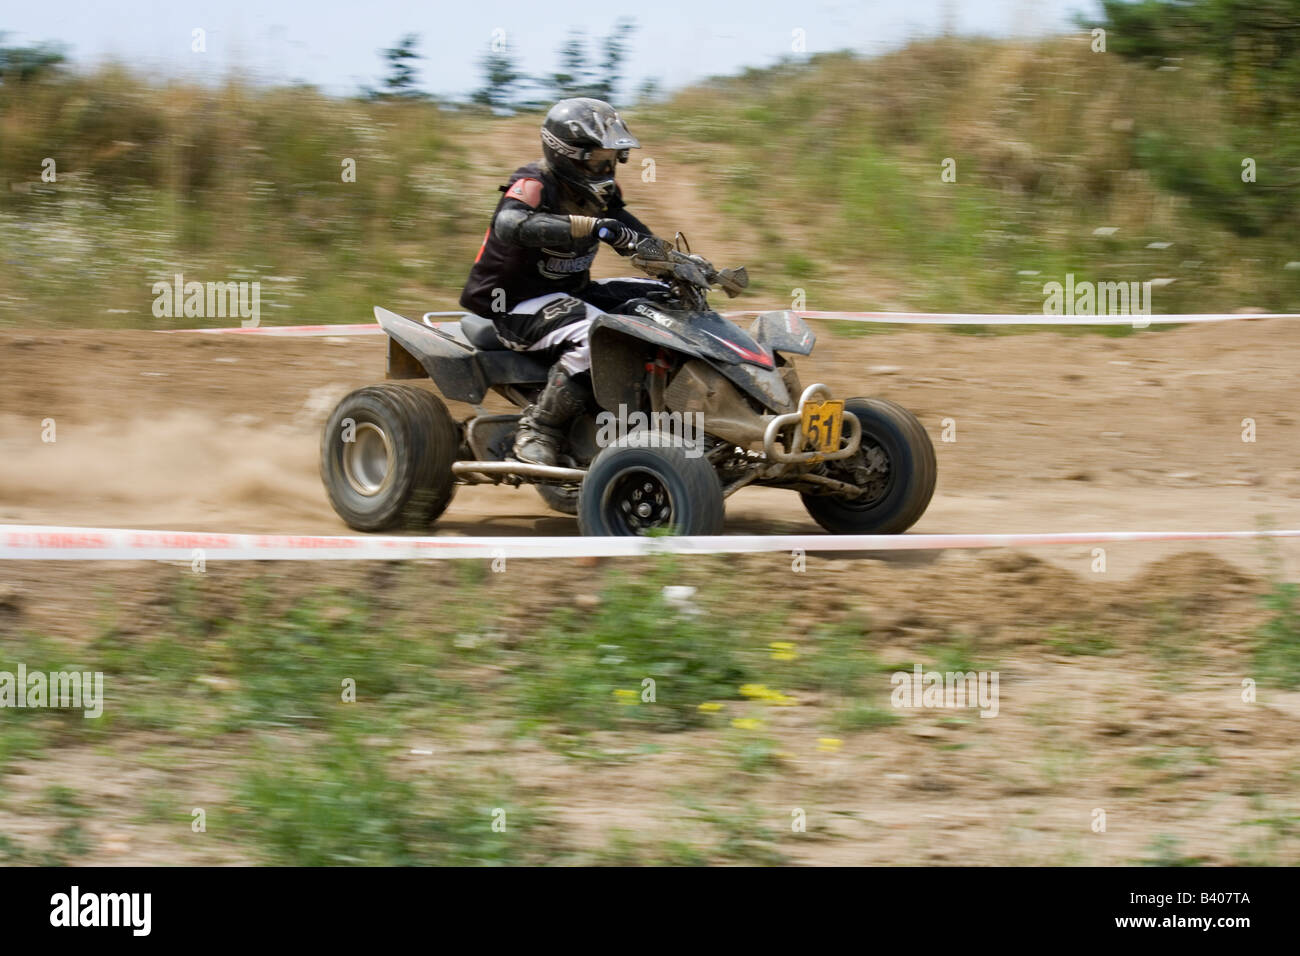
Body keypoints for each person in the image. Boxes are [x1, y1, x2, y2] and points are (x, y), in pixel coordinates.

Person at [459, 97, 666, 466]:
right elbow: (510, 224)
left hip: (570, 295)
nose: (608, 167)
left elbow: (636, 236)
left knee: (664, 301)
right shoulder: (534, 184)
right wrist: (589, 226)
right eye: (599, 159)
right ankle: (538, 430)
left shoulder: (602, 196)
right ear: (568, 155)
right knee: (597, 336)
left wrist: (683, 263)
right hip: (513, 307)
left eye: (612, 158)